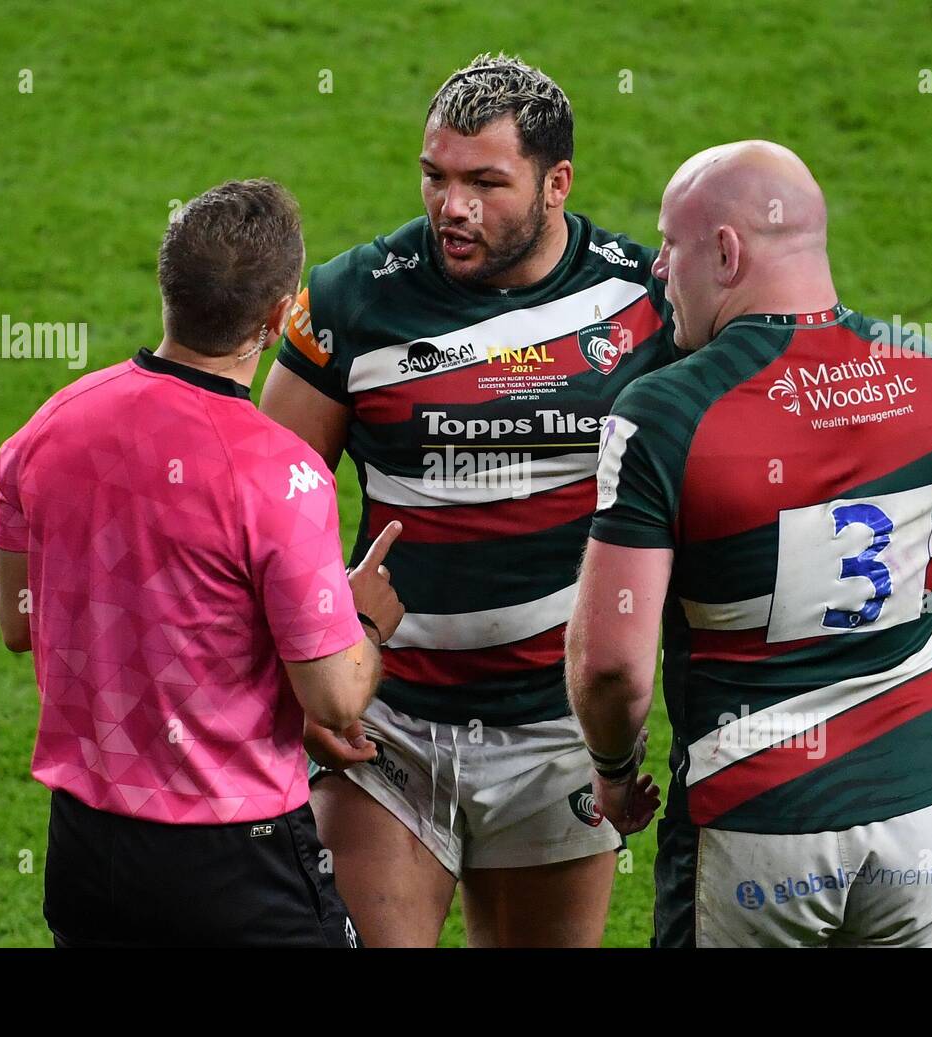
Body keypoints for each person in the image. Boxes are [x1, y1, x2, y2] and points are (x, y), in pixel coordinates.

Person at [260, 54, 681, 947]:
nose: (452, 206)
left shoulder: (645, 303)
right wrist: (305, 682)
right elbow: (269, 508)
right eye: (436, 176)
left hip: (557, 733)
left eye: (486, 182)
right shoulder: (348, 302)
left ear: (556, 182)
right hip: (390, 727)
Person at [566, 141, 932, 947]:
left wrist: (615, 774)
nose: (657, 269)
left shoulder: (667, 413)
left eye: (670, 245)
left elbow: (612, 665)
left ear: (726, 252)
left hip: (753, 820)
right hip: (923, 814)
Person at [0, 178, 403, 947]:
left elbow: (19, 625)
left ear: (168, 287)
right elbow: (338, 696)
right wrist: (365, 622)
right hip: (236, 857)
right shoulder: (281, 476)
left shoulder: (48, 429)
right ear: (280, 316)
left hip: (85, 850)